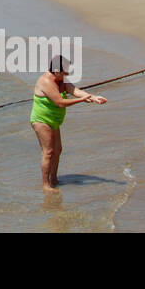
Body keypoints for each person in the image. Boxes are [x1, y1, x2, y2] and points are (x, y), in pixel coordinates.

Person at [30, 55, 107, 191]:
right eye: (65, 72)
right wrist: (82, 100)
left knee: (58, 150)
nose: (67, 74)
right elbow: (60, 102)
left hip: (54, 120)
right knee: (48, 152)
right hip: (42, 120)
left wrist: (93, 97)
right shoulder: (46, 82)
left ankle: (54, 179)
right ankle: (46, 185)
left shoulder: (61, 79)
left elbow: (74, 90)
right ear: (55, 70)